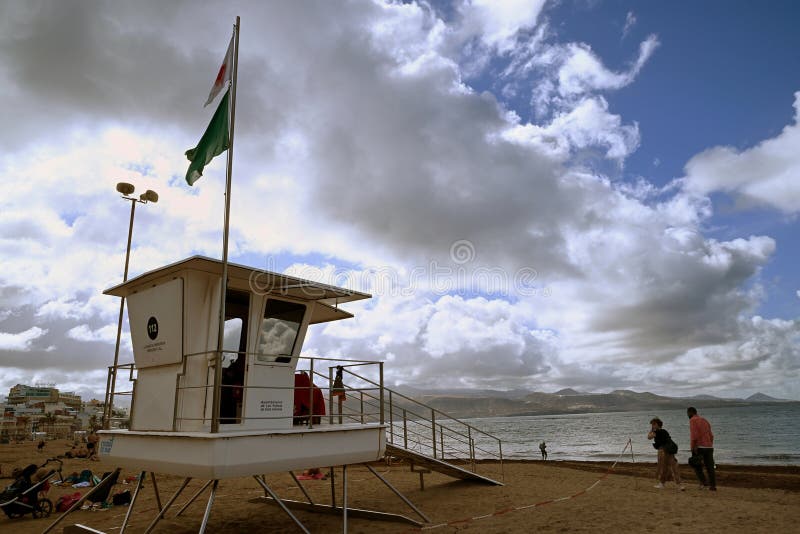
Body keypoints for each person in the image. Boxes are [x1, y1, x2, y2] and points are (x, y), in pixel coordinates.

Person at [647, 417, 684, 490]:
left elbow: (649, 437)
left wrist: (651, 430)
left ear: (658, 424)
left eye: (654, 424)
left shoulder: (656, 432)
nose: (653, 425)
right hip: (669, 450)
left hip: (663, 451)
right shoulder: (664, 431)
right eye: (652, 424)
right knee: (672, 466)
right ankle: (678, 485)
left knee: (664, 467)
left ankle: (663, 484)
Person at [687, 407, 716, 491]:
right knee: (710, 467)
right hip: (709, 447)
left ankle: (703, 483)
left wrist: (692, 447)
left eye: (688, 413)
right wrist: (710, 444)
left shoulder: (692, 420)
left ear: (690, 413)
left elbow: (694, 435)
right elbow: (711, 435)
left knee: (697, 465)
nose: (687, 415)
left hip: (699, 447)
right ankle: (713, 486)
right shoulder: (704, 420)